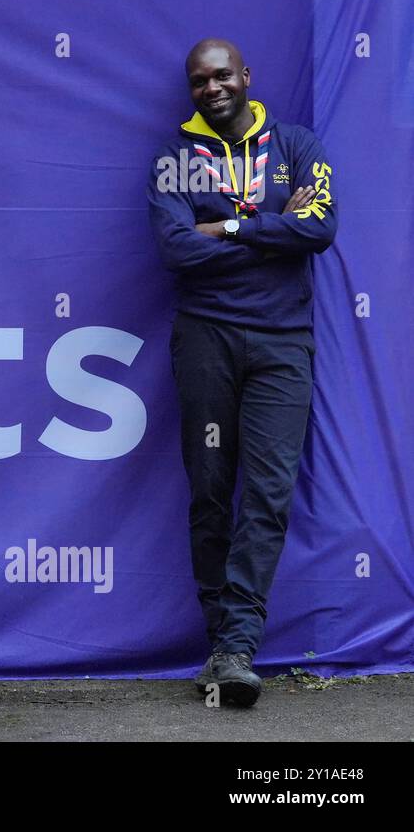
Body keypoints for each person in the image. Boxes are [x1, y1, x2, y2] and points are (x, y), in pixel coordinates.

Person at [146, 38, 338, 706]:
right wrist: (263, 228)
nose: (213, 88)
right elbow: (175, 248)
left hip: (284, 345)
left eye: (222, 75)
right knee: (210, 487)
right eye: (200, 80)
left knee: (268, 493)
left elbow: (318, 227)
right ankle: (221, 642)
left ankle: (237, 646)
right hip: (206, 339)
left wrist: (223, 230)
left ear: (247, 76)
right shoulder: (174, 161)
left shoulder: (296, 147)